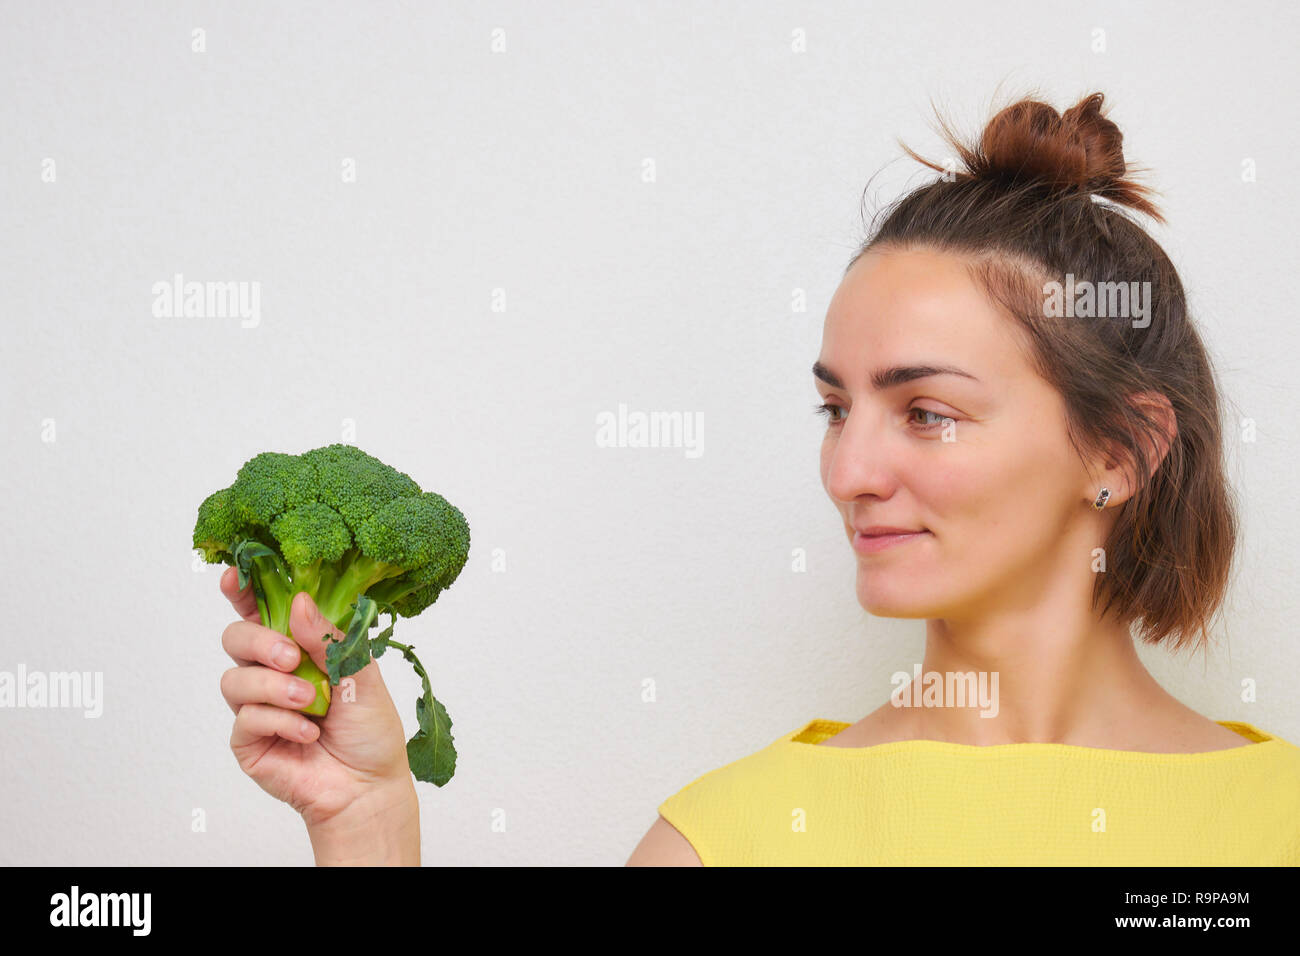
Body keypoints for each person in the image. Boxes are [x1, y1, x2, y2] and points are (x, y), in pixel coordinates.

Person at [218, 90, 1300, 866]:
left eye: (926, 412)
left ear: (1122, 452)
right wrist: (365, 827)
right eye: (837, 408)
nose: (848, 468)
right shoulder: (730, 837)